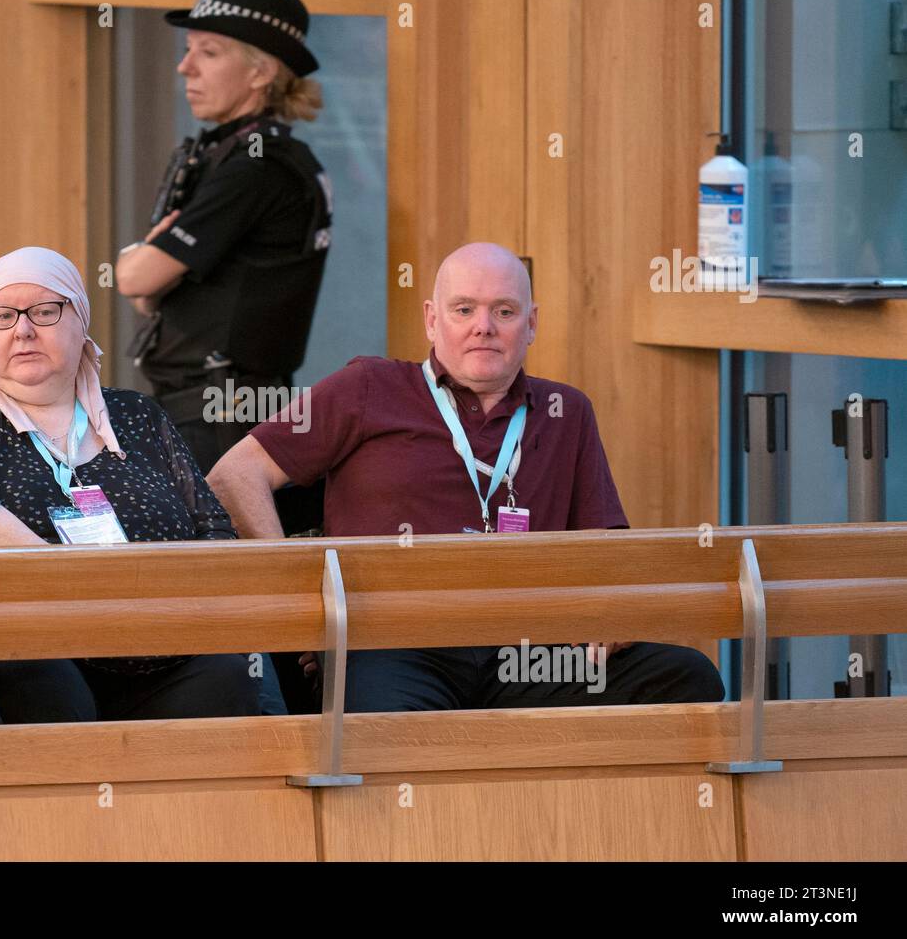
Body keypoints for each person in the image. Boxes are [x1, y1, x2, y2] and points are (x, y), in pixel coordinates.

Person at [206, 242, 725, 712]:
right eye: (464, 310)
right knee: (383, 736)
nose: (484, 326)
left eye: (504, 311)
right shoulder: (369, 386)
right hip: (397, 645)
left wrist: (611, 609)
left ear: (532, 323)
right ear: (433, 321)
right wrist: (303, 609)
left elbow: (604, 546)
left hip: (529, 654)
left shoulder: (566, 410)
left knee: (685, 676)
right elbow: (235, 475)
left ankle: (573, 817)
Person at [0, 246, 281, 725]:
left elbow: (213, 529)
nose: (22, 329)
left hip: (156, 652)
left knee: (225, 678)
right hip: (27, 645)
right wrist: (79, 589)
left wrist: (169, 615)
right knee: (46, 679)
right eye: (2, 315)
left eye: (45, 311)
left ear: (80, 321)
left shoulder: (136, 416)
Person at [115, 0, 332, 475]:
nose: (184, 67)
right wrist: (146, 270)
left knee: (210, 555)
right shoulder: (239, 155)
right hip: (209, 411)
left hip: (221, 416)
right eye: (189, 48)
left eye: (209, 52)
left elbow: (136, 279)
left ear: (260, 72)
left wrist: (139, 257)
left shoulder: (257, 166)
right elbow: (148, 298)